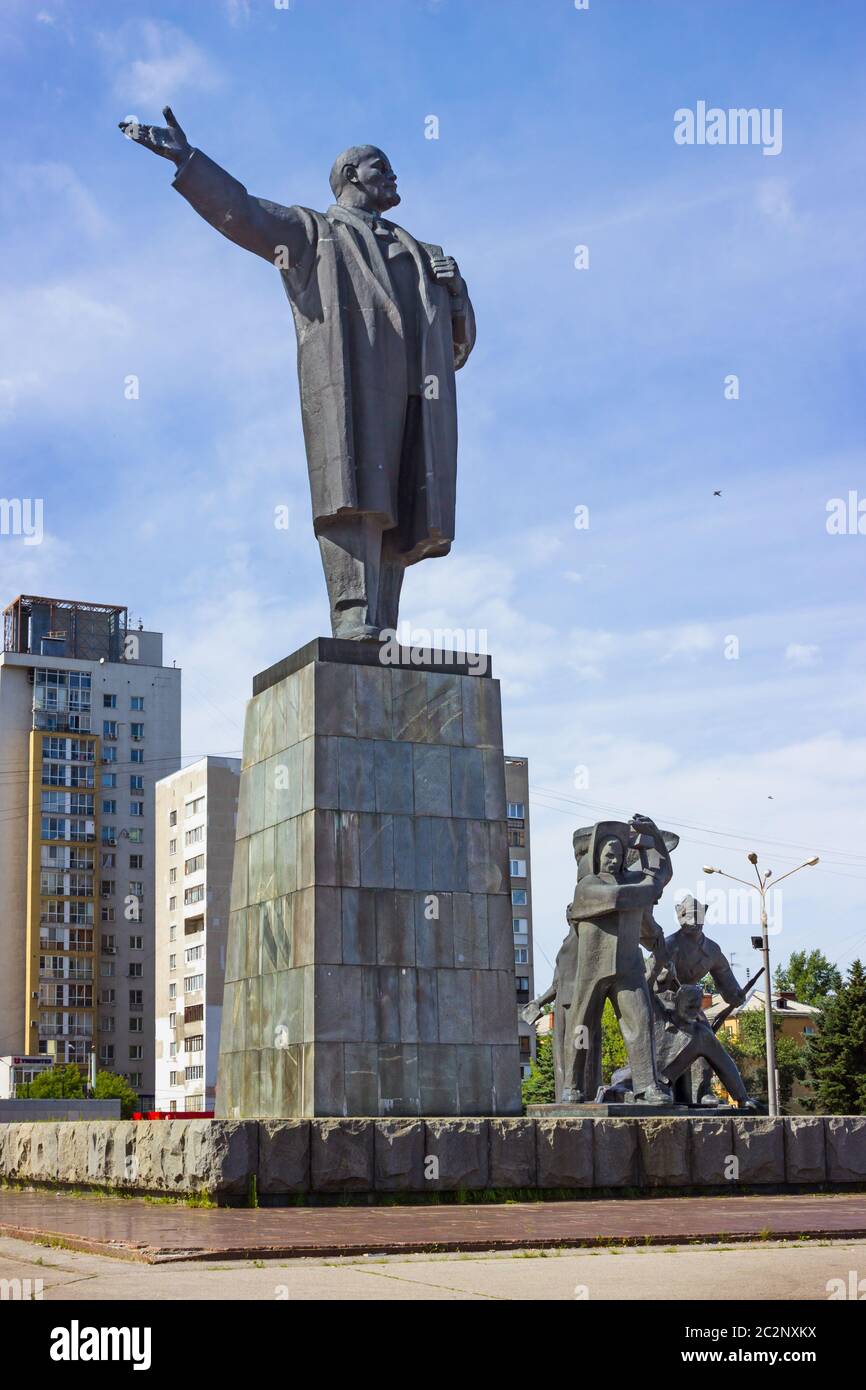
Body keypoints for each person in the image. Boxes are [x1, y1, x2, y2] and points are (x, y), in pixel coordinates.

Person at [119, 110, 475, 639]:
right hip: (353, 381)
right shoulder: (316, 234)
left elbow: (457, 346)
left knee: (402, 500)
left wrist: (458, 294)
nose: (394, 176)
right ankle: (354, 613)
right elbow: (243, 213)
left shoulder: (422, 254)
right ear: (351, 175)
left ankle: (385, 623)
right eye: (383, 166)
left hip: (414, 391)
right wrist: (189, 162)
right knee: (356, 491)